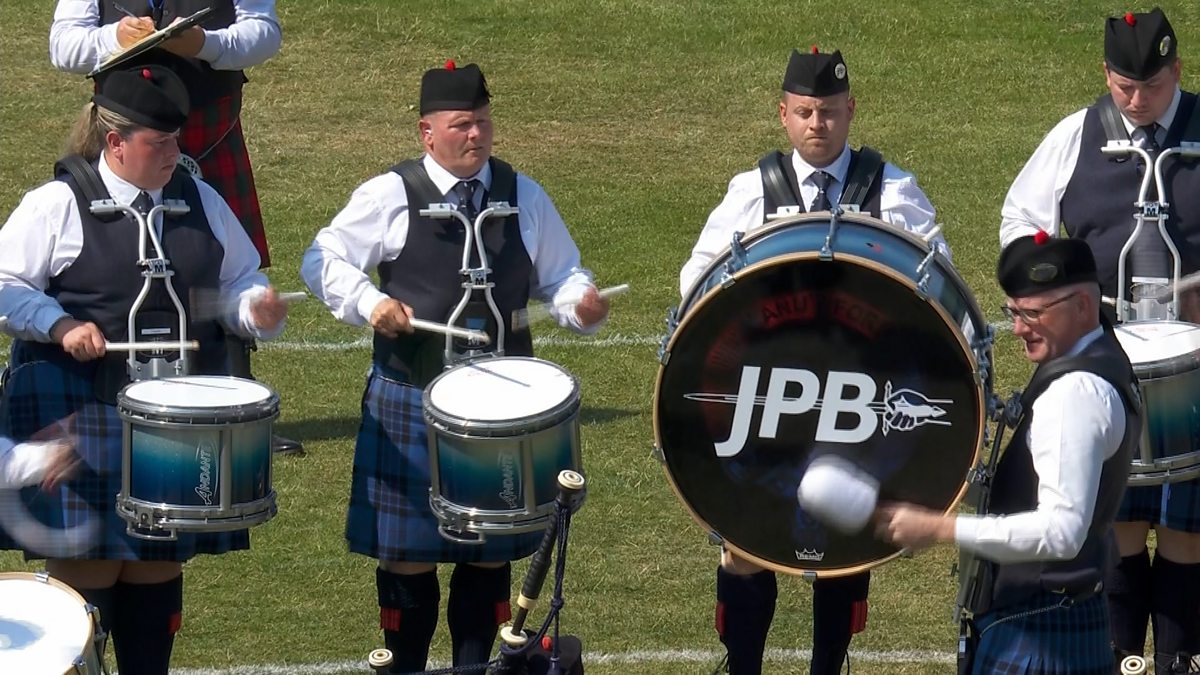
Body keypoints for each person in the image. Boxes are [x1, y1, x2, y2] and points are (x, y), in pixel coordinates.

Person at [300, 61, 610, 673]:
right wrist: (370, 303)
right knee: (408, 559)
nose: (477, 136)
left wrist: (582, 302)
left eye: (485, 124)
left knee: (489, 556)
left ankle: (477, 670)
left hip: (502, 409)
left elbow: (564, 275)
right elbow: (322, 256)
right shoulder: (392, 194)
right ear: (427, 131)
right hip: (411, 397)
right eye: (463, 125)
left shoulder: (522, 194)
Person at [0, 65, 288, 675]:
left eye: (176, 140)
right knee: (89, 567)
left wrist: (253, 308)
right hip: (80, 411)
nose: (174, 153)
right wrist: (59, 325)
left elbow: (239, 280)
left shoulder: (199, 198)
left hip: (171, 423)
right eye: (160, 143)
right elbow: (4, 284)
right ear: (115, 144)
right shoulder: (57, 204)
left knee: (157, 564)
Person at [678, 47, 948, 675]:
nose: (817, 125)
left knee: (846, 540)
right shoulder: (752, 192)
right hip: (771, 394)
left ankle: (832, 662)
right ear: (783, 115)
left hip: (858, 398)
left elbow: (938, 284)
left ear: (851, 111)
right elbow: (695, 281)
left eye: (829, 112)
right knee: (746, 538)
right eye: (804, 112)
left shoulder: (895, 190)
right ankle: (741, 664)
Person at [998, 8, 1200, 671]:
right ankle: (1118, 658)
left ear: (1177, 69)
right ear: (1106, 74)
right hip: (1103, 360)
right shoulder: (1075, 134)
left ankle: (1178, 658)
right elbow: (1022, 218)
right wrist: (1050, 287)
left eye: (1151, 86)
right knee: (1117, 519)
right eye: (1123, 85)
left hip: (1193, 363)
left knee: (1186, 527)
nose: (1137, 100)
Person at [876, 234, 1140, 674]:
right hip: (1062, 621)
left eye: (1033, 313)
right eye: (1013, 312)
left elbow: (1061, 533)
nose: (1017, 328)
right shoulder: (1105, 356)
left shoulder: (1074, 394)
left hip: (1040, 641)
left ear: (1083, 306)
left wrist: (942, 529)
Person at [48, 0, 302, 455]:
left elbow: (265, 32)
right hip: (128, 130)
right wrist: (114, 38)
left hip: (209, 126)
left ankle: (236, 408)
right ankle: (105, 404)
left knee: (214, 256)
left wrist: (206, 44)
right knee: (121, 260)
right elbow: (63, 45)